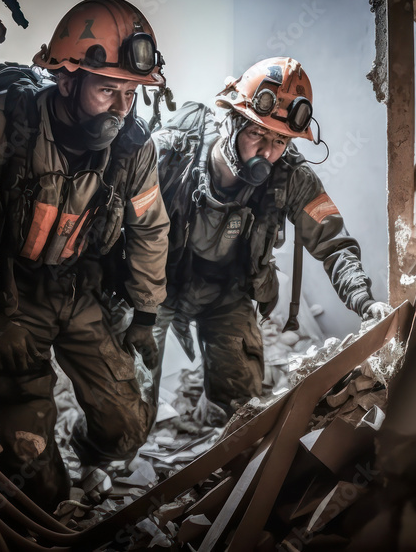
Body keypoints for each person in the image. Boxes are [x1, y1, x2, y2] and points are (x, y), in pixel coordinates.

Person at [0, 0, 169, 509]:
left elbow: (149, 228)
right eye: (107, 90)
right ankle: (41, 461)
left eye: (132, 93)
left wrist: (145, 312)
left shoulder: (134, 147)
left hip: (79, 294)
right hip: (10, 298)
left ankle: (84, 451)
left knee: (126, 433)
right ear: (67, 79)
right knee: (41, 487)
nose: (122, 109)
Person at [150, 56, 392, 419]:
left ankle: (215, 466)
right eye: (257, 135)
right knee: (127, 419)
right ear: (230, 121)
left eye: (280, 141)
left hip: (225, 293)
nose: (267, 153)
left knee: (239, 407)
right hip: (154, 285)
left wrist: (362, 299)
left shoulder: (289, 176)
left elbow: (334, 242)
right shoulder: (170, 154)